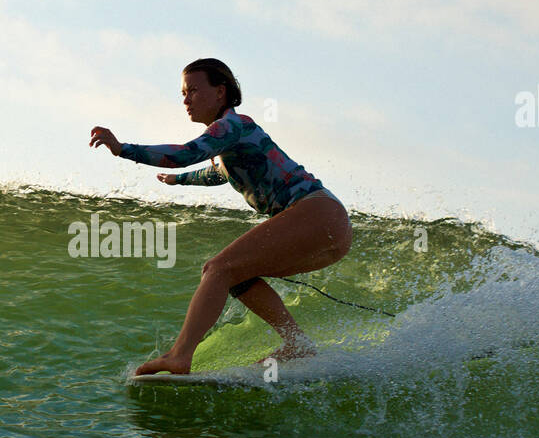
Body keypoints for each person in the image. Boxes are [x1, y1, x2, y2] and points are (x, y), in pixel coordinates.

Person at [90, 58, 353, 375]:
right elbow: (216, 172)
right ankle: (297, 344)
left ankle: (178, 355)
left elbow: (184, 154)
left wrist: (123, 149)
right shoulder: (231, 136)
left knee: (216, 269)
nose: (186, 99)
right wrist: (181, 181)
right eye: (183, 93)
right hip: (329, 232)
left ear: (220, 92)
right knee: (235, 275)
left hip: (316, 212)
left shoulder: (232, 125)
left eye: (194, 90)